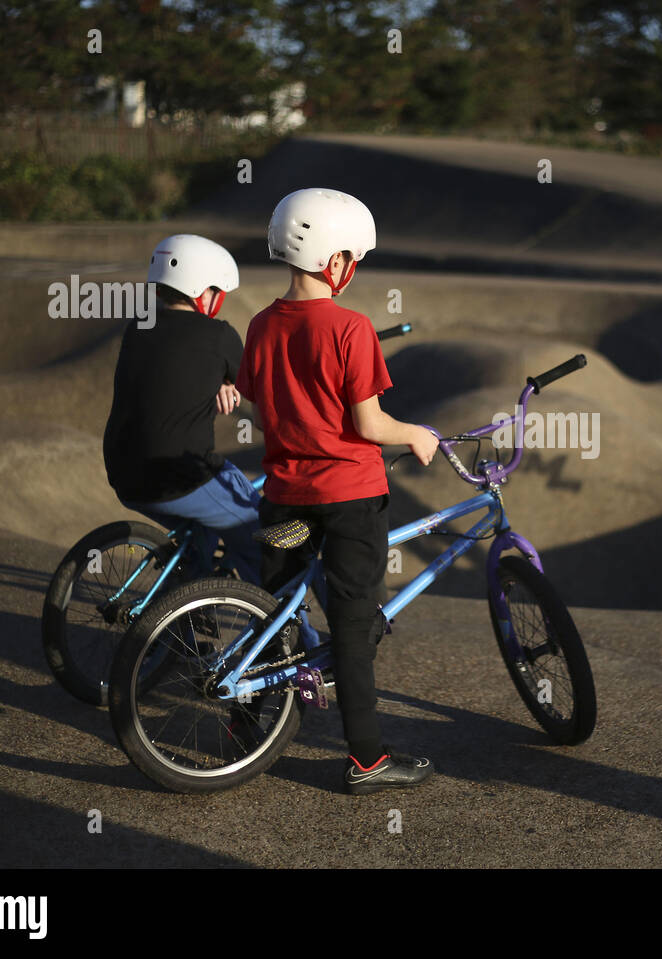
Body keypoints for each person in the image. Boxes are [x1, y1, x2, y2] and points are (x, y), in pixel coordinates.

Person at [237, 188, 440, 795]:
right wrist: (419, 436)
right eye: (355, 258)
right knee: (354, 627)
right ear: (336, 264)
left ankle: (246, 729)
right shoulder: (350, 327)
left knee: (273, 615)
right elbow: (369, 426)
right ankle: (369, 761)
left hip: (284, 494)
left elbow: (260, 397)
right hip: (349, 497)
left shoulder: (260, 322)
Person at [103, 234, 267, 585]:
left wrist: (221, 381)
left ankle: (187, 621)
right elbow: (261, 391)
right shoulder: (219, 335)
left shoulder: (138, 327)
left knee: (201, 533)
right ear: (202, 290)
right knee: (260, 536)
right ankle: (285, 635)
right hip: (177, 478)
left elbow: (175, 367)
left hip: (124, 473)